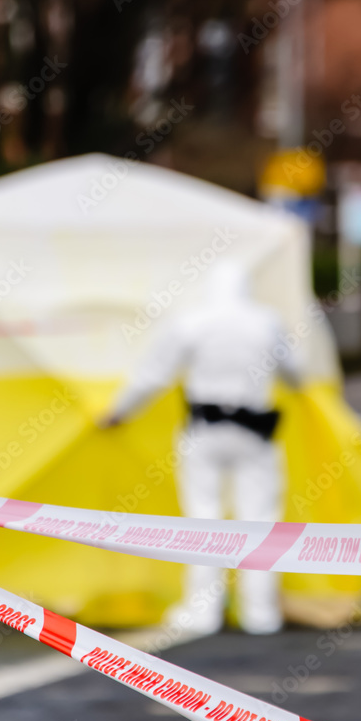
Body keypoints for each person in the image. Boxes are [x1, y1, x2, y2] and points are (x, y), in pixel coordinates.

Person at [101, 261, 304, 635]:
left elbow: (152, 375)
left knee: (202, 519)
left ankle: (202, 611)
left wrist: (118, 413)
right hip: (255, 431)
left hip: (204, 431)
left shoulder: (190, 322)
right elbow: (296, 374)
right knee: (259, 519)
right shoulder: (267, 322)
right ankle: (260, 613)